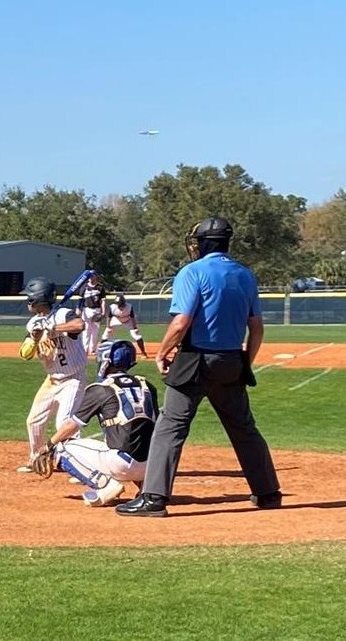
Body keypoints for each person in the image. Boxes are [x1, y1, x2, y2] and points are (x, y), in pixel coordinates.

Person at [116, 216, 281, 517]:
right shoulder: (245, 275)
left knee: (170, 426)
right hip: (231, 360)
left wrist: (162, 352)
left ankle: (153, 498)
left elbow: (181, 323)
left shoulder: (192, 272)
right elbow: (257, 328)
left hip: (194, 361)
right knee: (244, 428)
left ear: (203, 243)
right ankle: (268, 492)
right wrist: (244, 362)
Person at [42, 339, 159, 507]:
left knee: (60, 448)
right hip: (152, 465)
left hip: (121, 464)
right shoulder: (147, 386)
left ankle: (105, 485)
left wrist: (48, 446)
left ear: (105, 361)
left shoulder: (101, 388)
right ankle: (147, 488)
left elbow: (71, 425)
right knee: (137, 435)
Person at [17, 276, 88, 473]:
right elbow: (25, 354)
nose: (27, 301)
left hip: (73, 378)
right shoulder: (33, 323)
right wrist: (34, 337)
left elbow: (79, 325)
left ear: (38, 298)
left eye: (30, 297)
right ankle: (37, 459)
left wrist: (53, 328)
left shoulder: (63, 314)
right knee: (34, 420)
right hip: (51, 380)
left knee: (64, 423)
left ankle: (78, 464)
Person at [101, 293, 150, 358]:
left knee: (137, 336)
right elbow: (109, 317)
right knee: (105, 335)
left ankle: (143, 353)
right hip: (116, 319)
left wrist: (135, 327)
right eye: (118, 304)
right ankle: (101, 352)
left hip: (127, 320)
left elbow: (132, 317)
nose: (119, 305)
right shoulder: (112, 307)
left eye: (120, 303)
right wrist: (108, 327)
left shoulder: (129, 306)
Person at [77, 273, 106, 357]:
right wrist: (78, 309)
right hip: (86, 310)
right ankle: (85, 349)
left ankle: (92, 349)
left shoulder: (100, 287)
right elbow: (80, 299)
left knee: (95, 331)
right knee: (86, 330)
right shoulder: (84, 287)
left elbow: (103, 301)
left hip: (96, 310)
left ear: (95, 276)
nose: (90, 278)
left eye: (92, 276)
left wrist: (103, 311)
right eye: (89, 276)